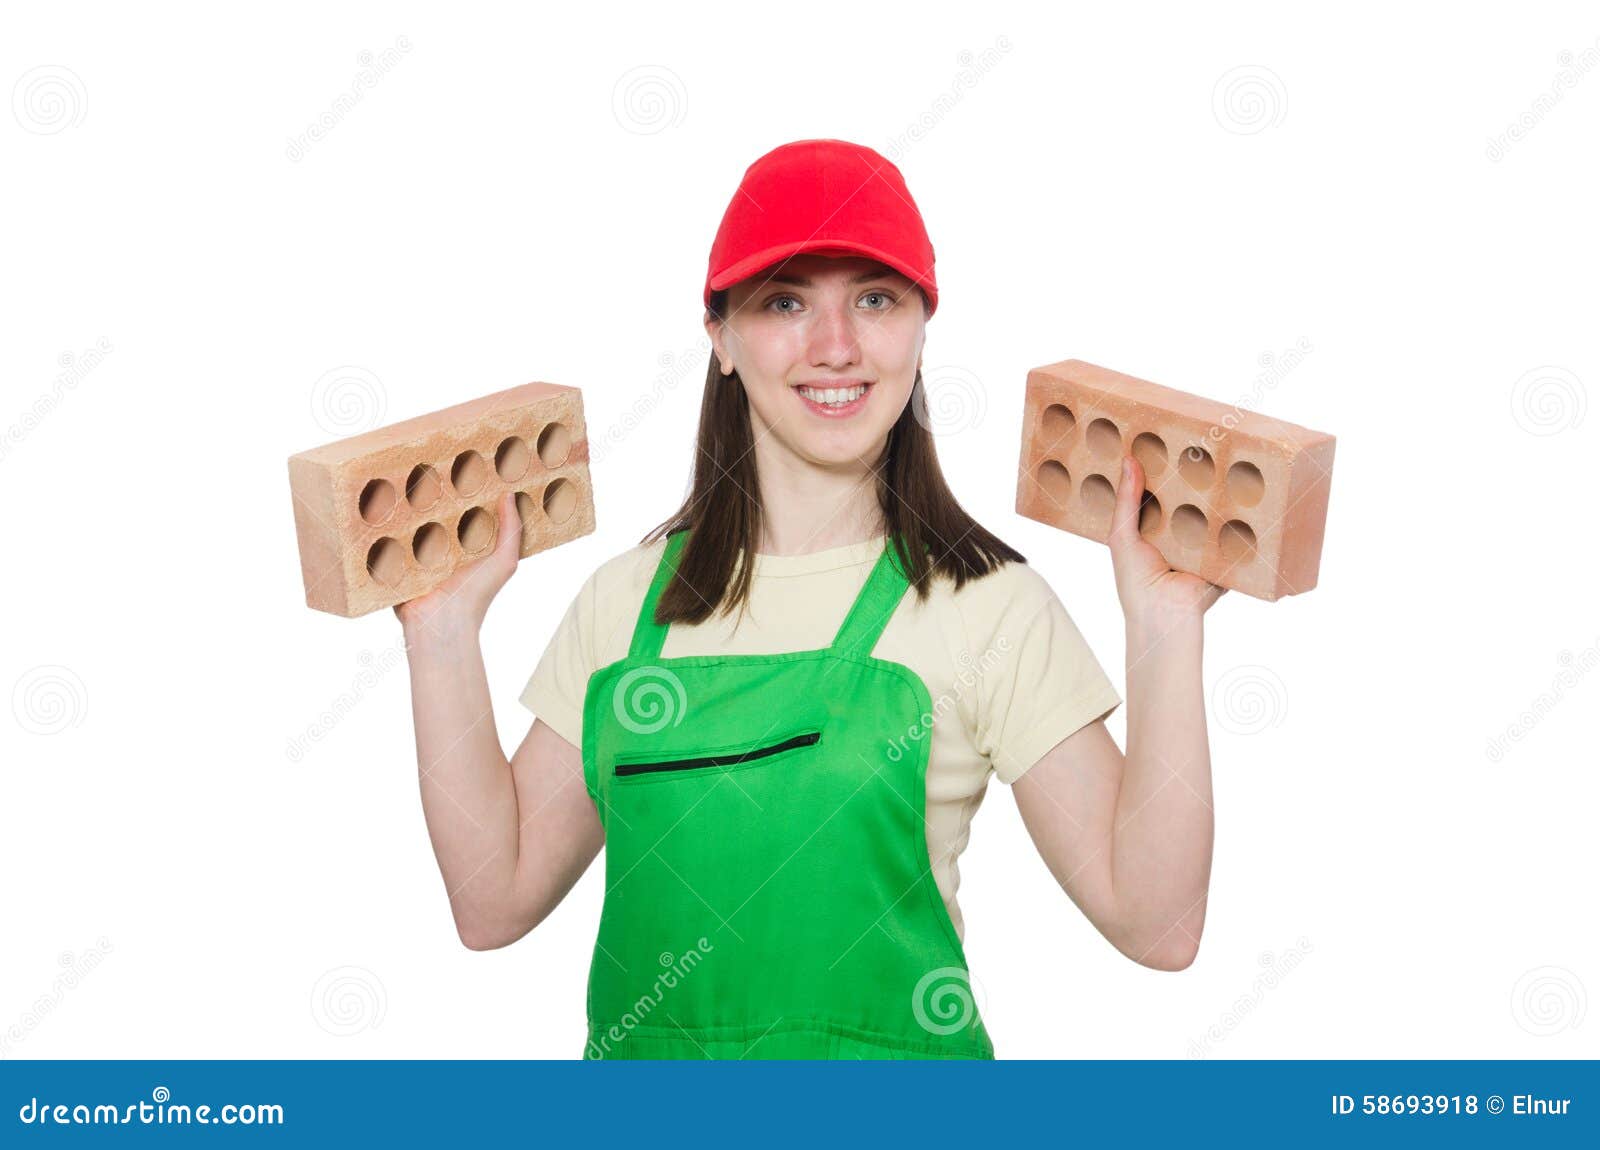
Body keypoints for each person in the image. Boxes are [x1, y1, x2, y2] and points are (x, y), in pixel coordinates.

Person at [396, 138, 1226, 1060]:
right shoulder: (626, 605)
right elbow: (491, 899)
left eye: (875, 299)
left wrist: (1164, 625)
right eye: (785, 301)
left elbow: (1158, 928)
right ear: (719, 338)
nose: (836, 347)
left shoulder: (987, 605)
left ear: (920, 327)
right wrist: (441, 634)